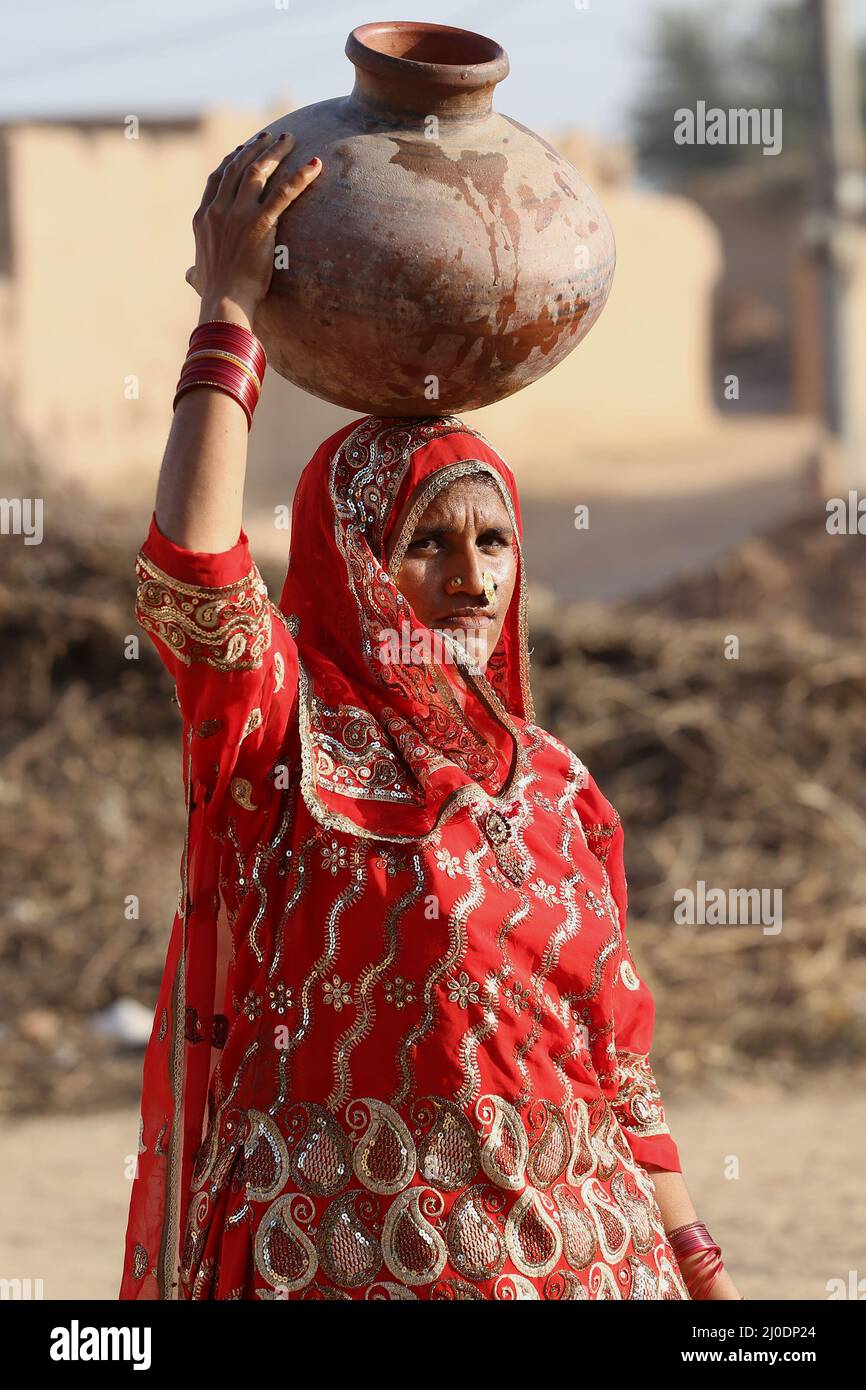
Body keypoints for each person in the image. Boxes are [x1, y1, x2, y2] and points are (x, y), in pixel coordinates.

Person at [119, 131, 742, 1301]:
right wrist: (229, 314)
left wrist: (699, 1269)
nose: (472, 575)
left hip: (589, 1266)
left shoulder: (555, 784)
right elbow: (196, 570)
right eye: (427, 543)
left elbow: (616, 1064)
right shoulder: (281, 738)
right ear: (355, 563)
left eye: (493, 538)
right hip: (340, 1265)